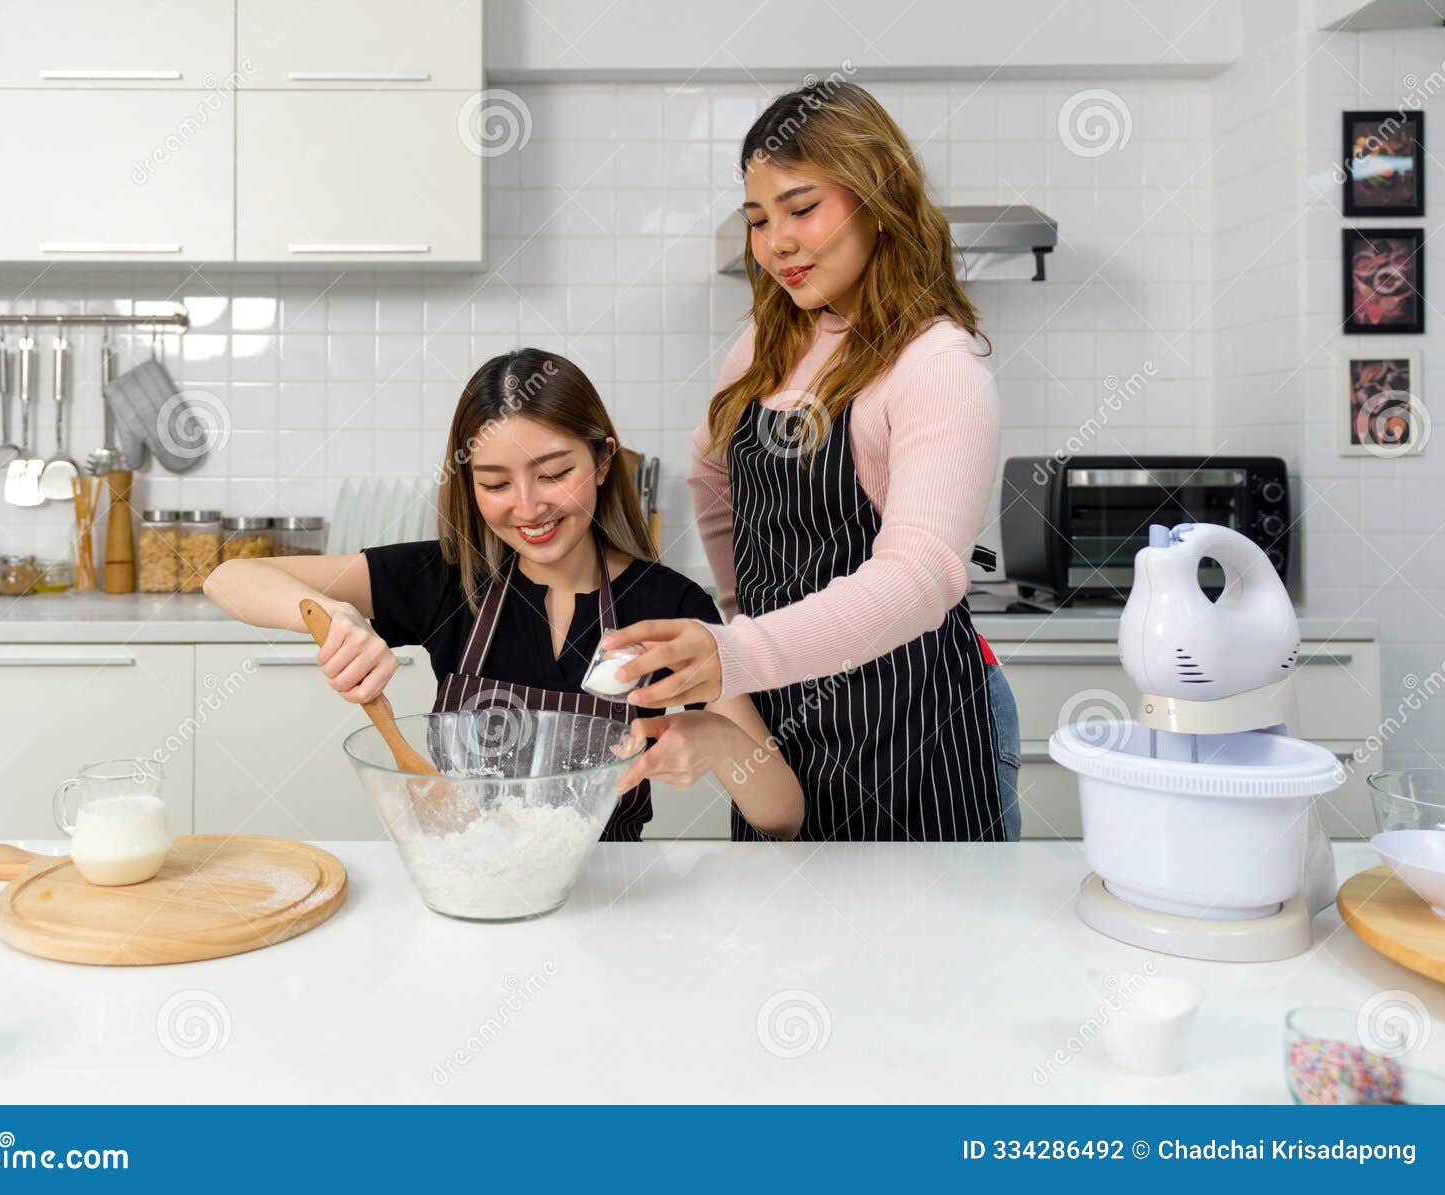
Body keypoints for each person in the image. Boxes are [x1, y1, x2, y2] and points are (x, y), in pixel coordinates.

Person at [603, 82, 1022, 842]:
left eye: (802, 209)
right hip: (777, 720)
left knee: (920, 922)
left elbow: (920, 576)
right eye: (758, 220)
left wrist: (739, 649)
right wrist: (740, 617)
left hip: (910, 728)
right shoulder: (767, 345)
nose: (777, 244)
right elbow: (711, 476)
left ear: (879, 199)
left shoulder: (936, 365)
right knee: (778, 911)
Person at [204, 347, 805, 841]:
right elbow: (229, 578)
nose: (528, 507)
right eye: (495, 483)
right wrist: (339, 614)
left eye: (554, 474)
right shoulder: (449, 578)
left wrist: (720, 744)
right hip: (468, 883)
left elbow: (783, 814)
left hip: (610, 898)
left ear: (603, 462)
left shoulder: (668, 606)